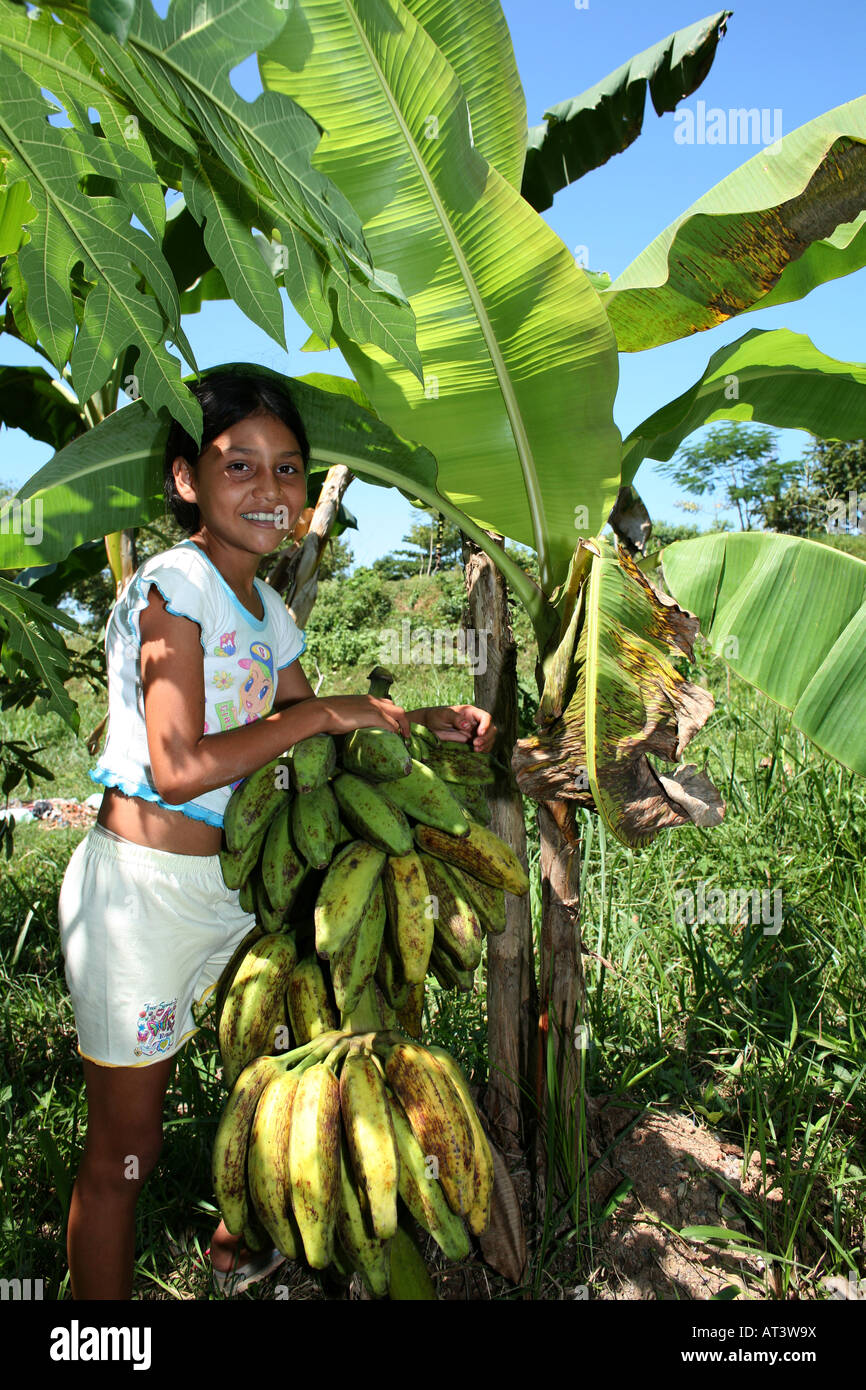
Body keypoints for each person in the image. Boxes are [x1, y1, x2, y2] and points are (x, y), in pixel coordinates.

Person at [56, 370, 497, 1300]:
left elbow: (317, 725)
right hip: (140, 897)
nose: (271, 490)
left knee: (273, 1065)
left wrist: (416, 719)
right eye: (240, 465)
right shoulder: (174, 586)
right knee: (125, 1148)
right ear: (186, 481)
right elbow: (179, 764)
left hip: (239, 889)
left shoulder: (270, 612)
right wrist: (326, 713)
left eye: (289, 469)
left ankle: (234, 1242)